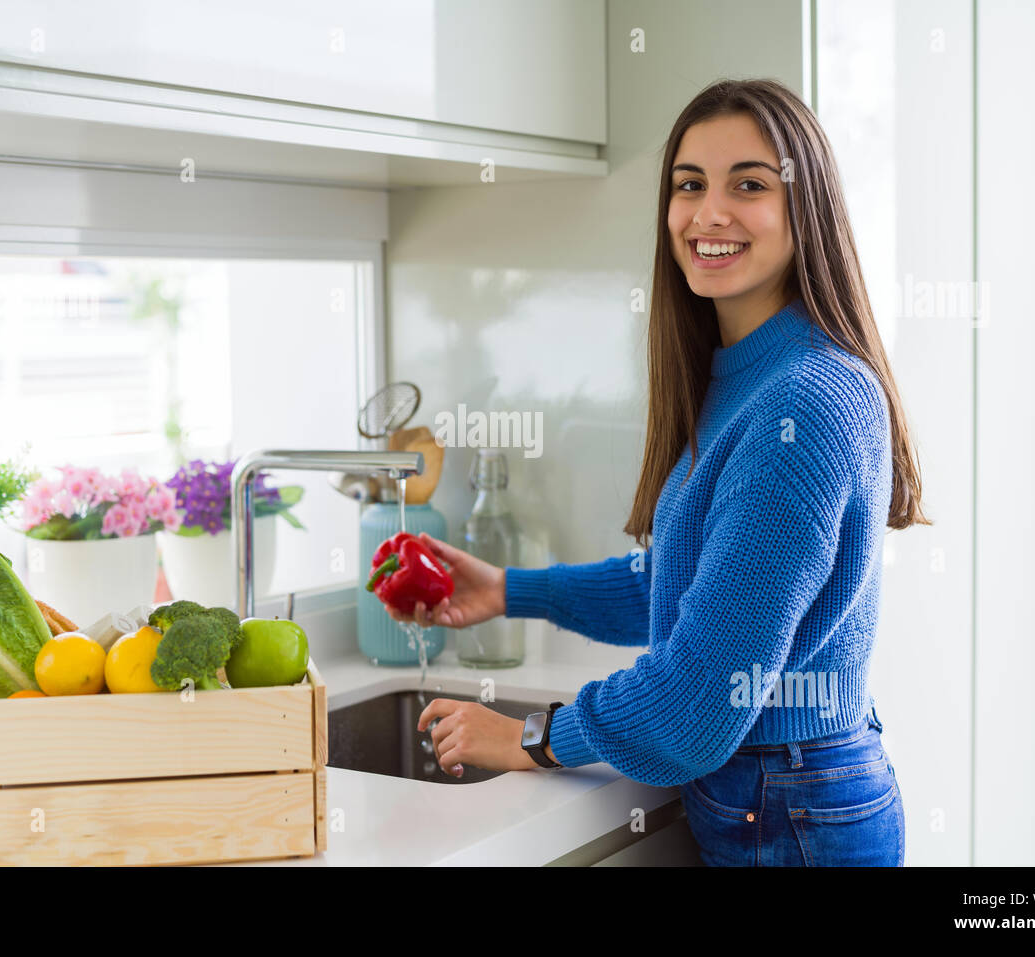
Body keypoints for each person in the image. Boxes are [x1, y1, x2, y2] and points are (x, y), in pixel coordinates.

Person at [380, 77, 930, 867]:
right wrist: (509, 590)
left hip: (788, 811)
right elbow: (684, 587)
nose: (709, 213)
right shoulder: (746, 374)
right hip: (778, 797)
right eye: (689, 185)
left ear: (804, 210)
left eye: (750, 184)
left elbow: (695, 704)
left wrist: (530, 736)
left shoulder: (803, 401)